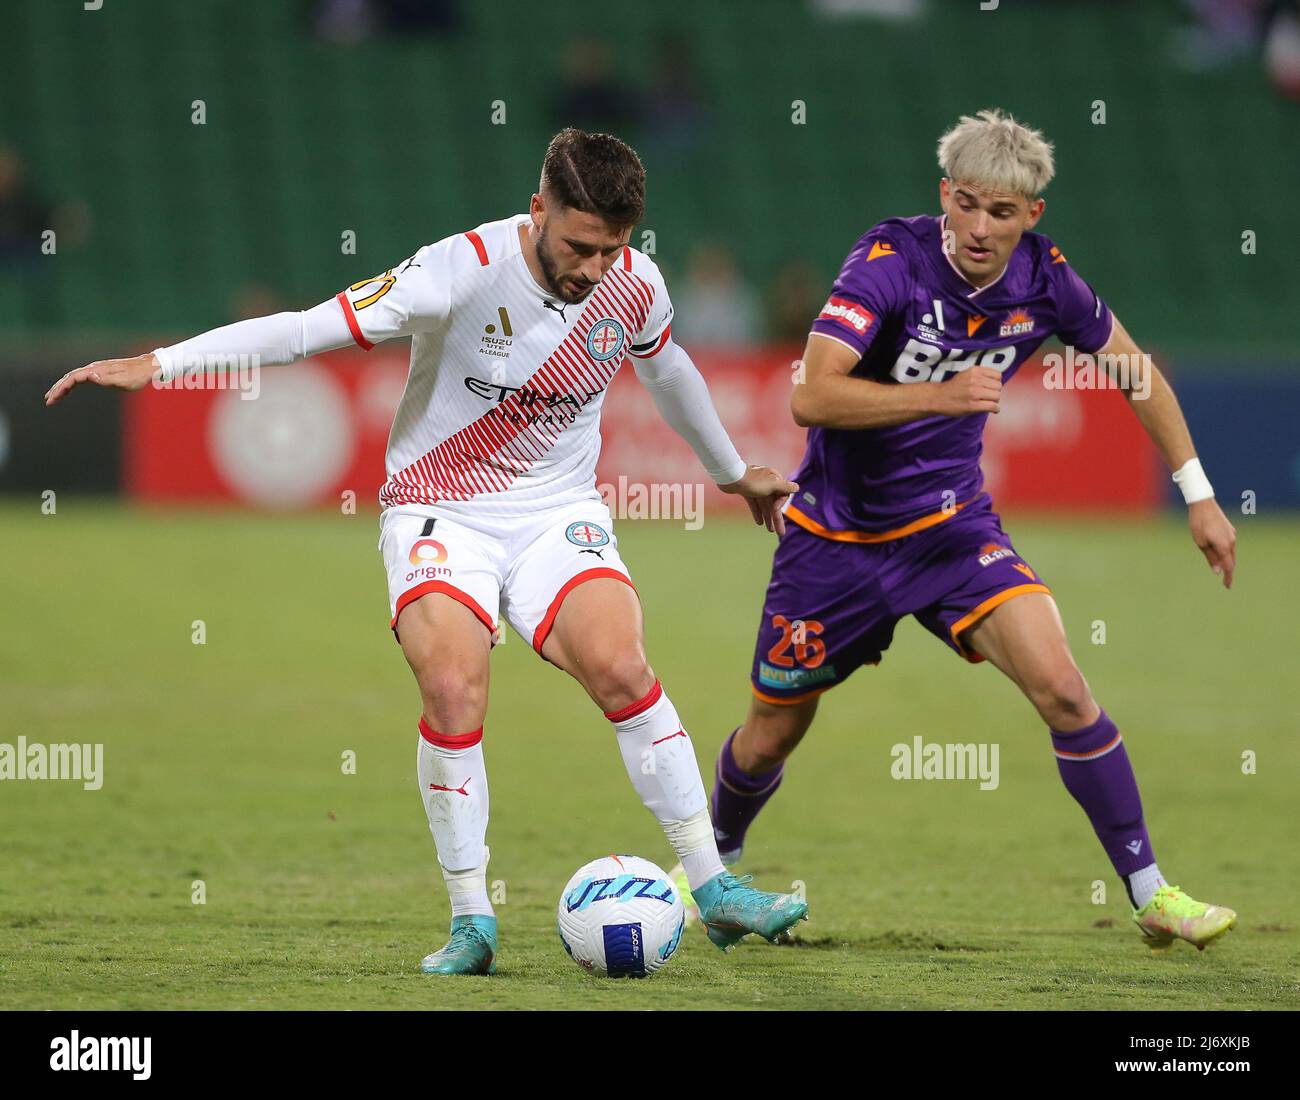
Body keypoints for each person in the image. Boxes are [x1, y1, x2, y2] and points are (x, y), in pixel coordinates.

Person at [45, 128, 809, 974]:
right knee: (452, 683)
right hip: (440, 510)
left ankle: (714, 888)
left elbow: (669, 374)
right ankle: (472, 919)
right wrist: (162, 362)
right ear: (537, 210)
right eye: (579, 245)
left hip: (556, 510)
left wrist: (735, 474)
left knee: (622, 668)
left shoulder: (636, 286)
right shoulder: (457, 270)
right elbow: (303, 332)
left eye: (613, 248)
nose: (595, 267)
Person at [698, 109, 1237, 953]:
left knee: (1062, 688)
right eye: (969, 207)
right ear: (945, 197)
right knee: (770, 733)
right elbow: (812, 396)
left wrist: (1198, 493)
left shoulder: (1047, 280)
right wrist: (939, 395)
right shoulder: (889, 261)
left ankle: (1150, 892)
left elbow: (1135, 371)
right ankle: (719, 869)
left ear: (1032, 217)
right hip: (834, 543)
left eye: (1004, 213)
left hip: (952, 536)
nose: (982, 229)